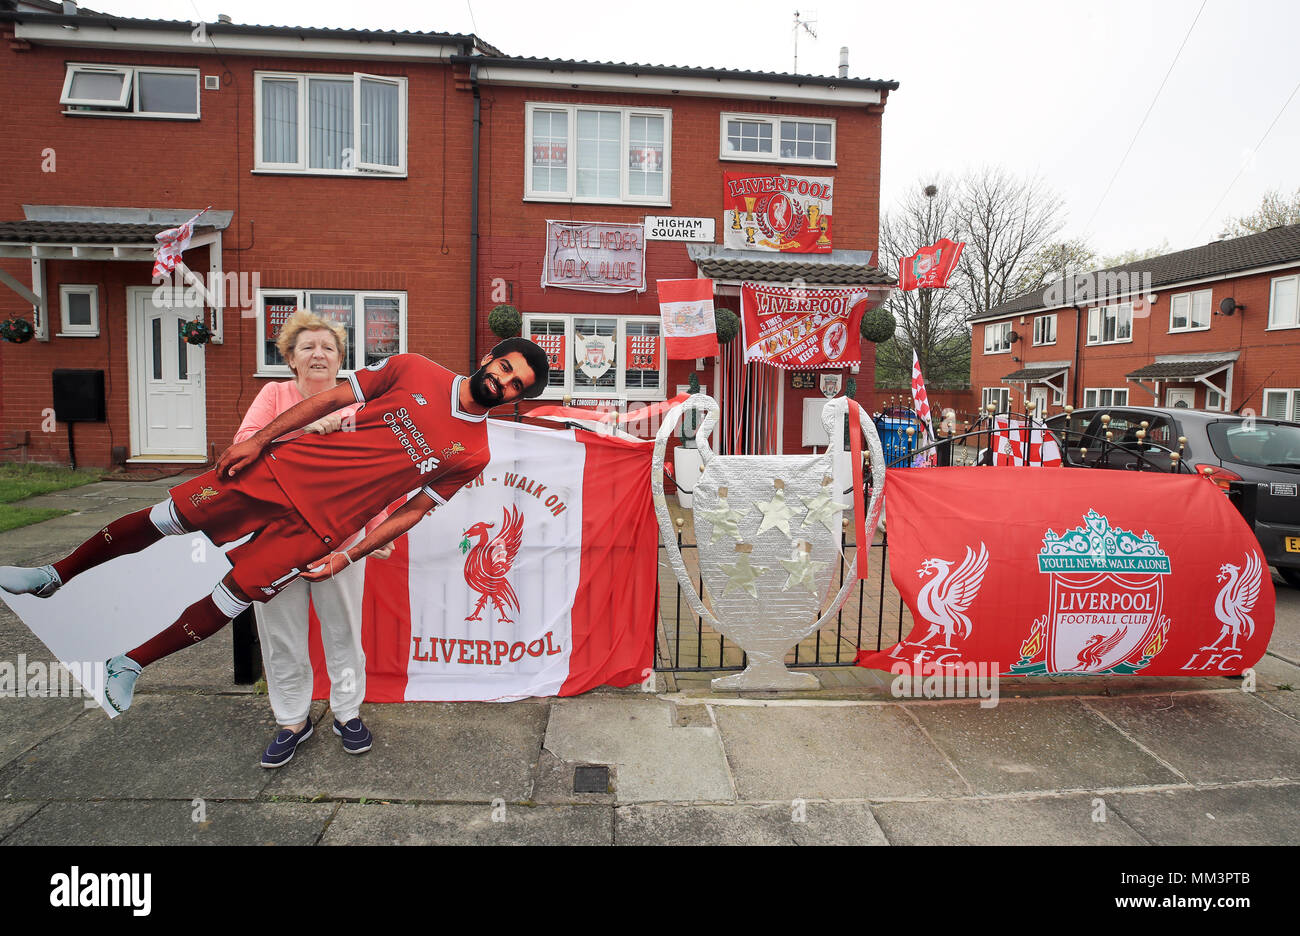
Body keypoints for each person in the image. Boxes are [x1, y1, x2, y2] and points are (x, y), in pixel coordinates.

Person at [0, 336, 550, 717]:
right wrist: (259, 439)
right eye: (504, 368)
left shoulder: (473, 452)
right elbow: (331, 400)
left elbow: (412, 511)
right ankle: (54, 574)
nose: (501, 383)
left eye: (514, 386)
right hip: (276, 472)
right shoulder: (413, 368)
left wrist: (347, 556)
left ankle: (129, 664)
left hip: (322, 527)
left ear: (517, 400)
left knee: (233, 597)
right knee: (165, 518)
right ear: (489, 357)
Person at [237, 310, 389, 767]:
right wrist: (304, 430)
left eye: (328, 347)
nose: (319, 354)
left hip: (339, 534)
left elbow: (374, 472)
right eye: (308, 347)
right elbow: (246, 444)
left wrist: (380, 527)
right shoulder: (274, 395)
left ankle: (347, 713)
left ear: (341, 359)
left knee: (342, 628)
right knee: (281, 631)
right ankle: (292, 721)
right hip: (275, 534)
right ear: (290, 359)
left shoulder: (356, 407)